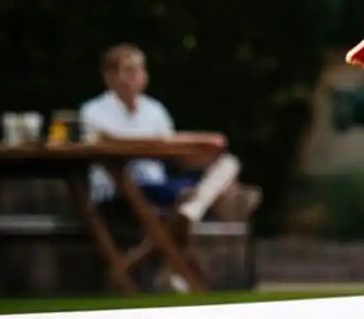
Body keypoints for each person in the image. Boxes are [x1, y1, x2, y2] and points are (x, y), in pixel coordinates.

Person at [81, 44, 261, 287]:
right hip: (119, 190)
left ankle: (187, 215)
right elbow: (119, 143)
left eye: (140, 69)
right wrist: (195, 139)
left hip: (158, 186)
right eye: (128, 69)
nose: (136, 75)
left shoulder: (154, 109)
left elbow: (173, 153)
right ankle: (166, 257)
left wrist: (204, 152)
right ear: (109, 76)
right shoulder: (94, 111)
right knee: (187, 198)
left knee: (227, 164)